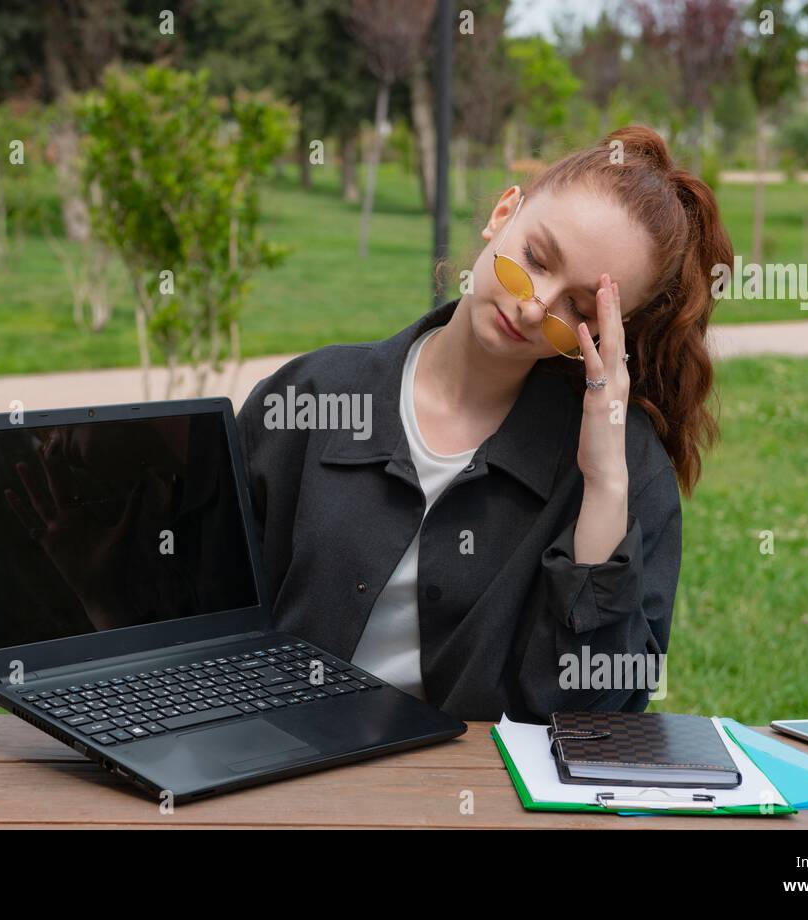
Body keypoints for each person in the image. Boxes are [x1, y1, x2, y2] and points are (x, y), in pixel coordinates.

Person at [236, 125, 734, 721]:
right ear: (503, 213)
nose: (534, 306)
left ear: (610, 329)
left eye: (579, 307)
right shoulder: (308, 398)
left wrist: (602, 490)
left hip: (482, 805)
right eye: (535, 258)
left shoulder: (626, 469)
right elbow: (205, 621)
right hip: (282, 781)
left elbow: (596, 722)